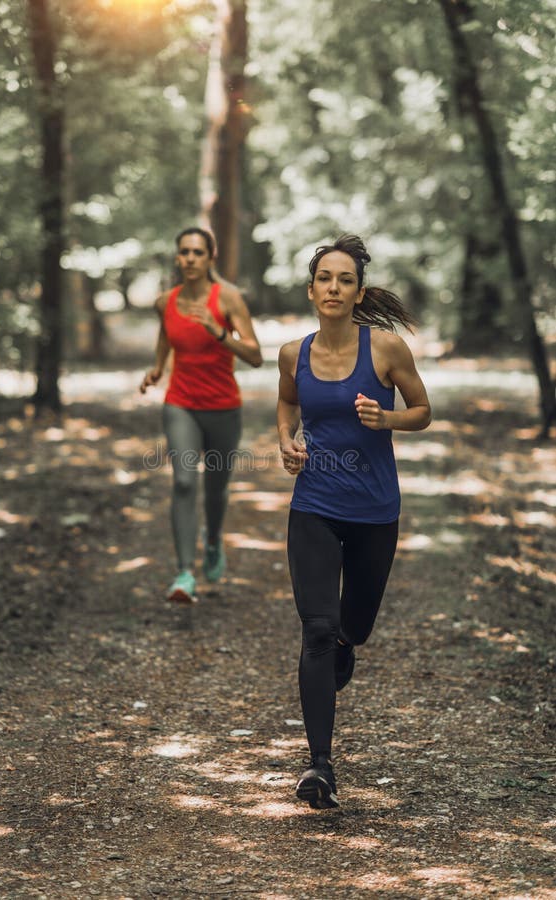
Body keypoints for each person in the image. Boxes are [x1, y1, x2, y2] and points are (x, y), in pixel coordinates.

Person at [277, 234, 431, 809]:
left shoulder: (386, 349)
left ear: (357, 290)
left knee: (352, 627)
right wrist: (286, 442)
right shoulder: (292, 352)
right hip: (314, 504)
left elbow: (423, 412)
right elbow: (287, 404)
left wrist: (384, 418)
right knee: (315, 630)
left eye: (344, 279)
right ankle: (321, 766)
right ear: (312, 289)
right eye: (324, 278)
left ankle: (347, 640)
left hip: (374, 511)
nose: (334, 287)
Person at [140, 227, 262, 602]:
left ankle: (212, 541)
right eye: (184, 252)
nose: (190, 258)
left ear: (210, 258)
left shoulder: (227, 299)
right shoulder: (165, 301)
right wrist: (159, 367)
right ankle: (184, 574)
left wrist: (218, 332)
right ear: (178, 258)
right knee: (183, 482)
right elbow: (167, 334)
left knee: (215, 487)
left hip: (224, 406)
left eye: (197, 252)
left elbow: (255, 356)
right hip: (181, 404)